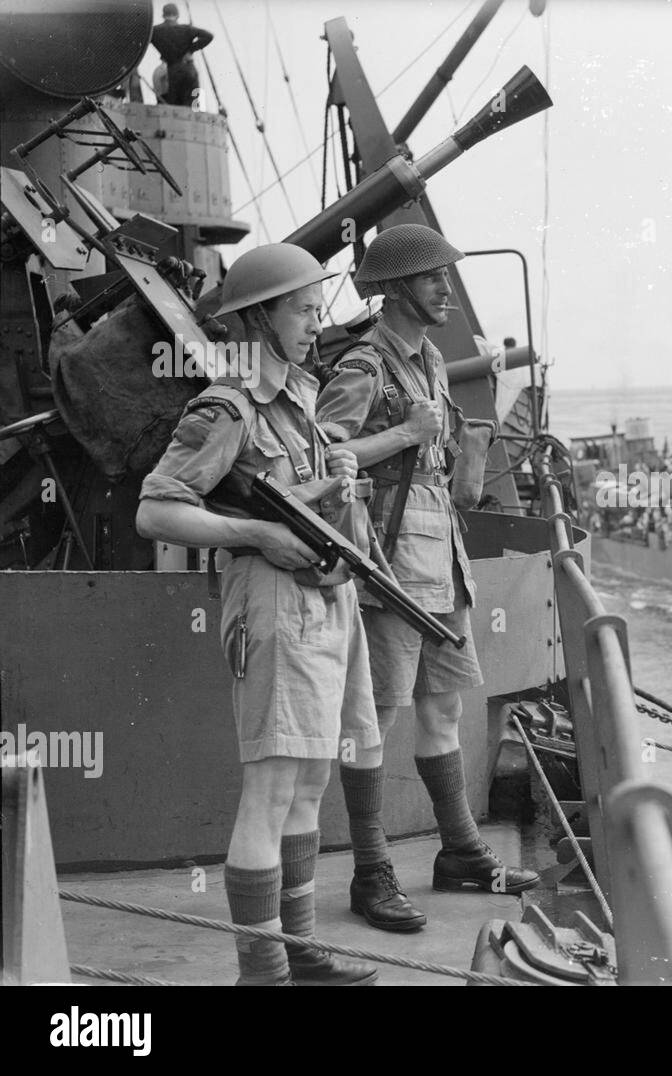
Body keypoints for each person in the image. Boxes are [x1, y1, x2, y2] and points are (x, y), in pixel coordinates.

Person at [136, 244, 380, 985]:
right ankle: (263, 971)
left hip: (325, 600)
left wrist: (339, 485)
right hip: (272, 603)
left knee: (309, 783)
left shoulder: (301, 398)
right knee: (271, 788)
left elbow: (302, 503)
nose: (316, 321)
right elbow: (156, 510)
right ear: (259, 318)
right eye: (303, 309)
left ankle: (301, 956)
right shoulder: (226, 405)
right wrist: (256, 533)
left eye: (315, 307)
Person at [316, 225, 537, 930]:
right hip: (388, 570)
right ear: (395, 288)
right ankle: (371, 875)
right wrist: (405, 436)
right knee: (372, 721)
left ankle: (462, 855)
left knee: (441, 710)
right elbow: (321, 461)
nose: (446, 287)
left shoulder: (433, 360)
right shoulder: (362, 367)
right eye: (432, 276)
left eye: (445, 274)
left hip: (441, 562)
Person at [150, 3, 214, 108]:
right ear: (177, 15)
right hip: (190, 70)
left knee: (175, 105)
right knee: (194, 105)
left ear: (163, 15)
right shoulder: (186, 29)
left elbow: (141, 40)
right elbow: (209, 36)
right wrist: (190, 50)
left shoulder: (155, 31)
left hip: (173, 71)